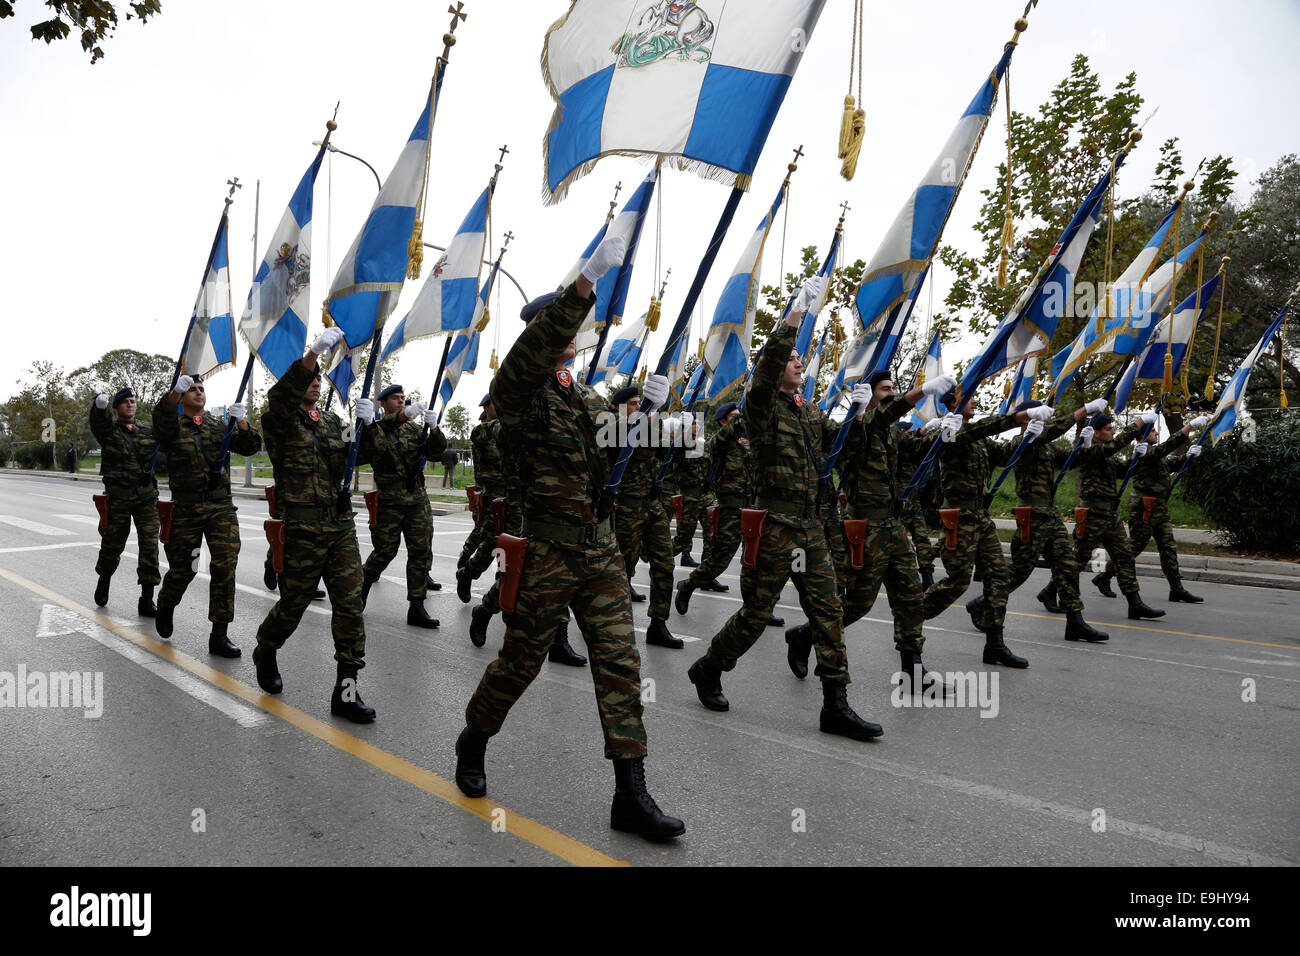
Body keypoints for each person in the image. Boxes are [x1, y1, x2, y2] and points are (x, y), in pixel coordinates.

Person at [454, 234, 684, 842]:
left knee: (619, 664)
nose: (574, 342)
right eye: (562, 333)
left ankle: (630, 795)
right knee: (522, 661)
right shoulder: (520, 397)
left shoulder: (585, 398)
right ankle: (474, 737)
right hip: (550, 552)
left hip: (600, 549)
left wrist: (653, 421)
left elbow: (622, 460)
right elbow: (522, 370)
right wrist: (583, 286)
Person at [686, 276, 883, 741]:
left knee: (829, 611)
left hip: (810, 525)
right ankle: (709, 666)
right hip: (772, 524)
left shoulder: (810, 412)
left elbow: (847, 448)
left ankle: (835, 704)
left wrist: (865, 412)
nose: (797, 362)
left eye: (799, 358)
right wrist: (794, 315)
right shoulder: (761, 408)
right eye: (791, 359)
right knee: (756, 614)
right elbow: (771, 364)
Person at [786, 366, 960, 688]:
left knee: (910, 597)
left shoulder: (891, 432)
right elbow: (880, 418)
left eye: (893, 388)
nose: (891, 393)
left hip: (893, 526)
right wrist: (920, 391)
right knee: (859, 603)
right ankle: (804, 635)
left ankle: (913, 672)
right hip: (865, 528)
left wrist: (945, 434)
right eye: (884, 389)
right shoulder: (854, 430)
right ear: (868, 395)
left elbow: (919, 450)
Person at [251, 327, 376, 723]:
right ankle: (266, 648)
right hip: (304, 530)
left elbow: (356, 459)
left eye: (320, 377)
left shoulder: (332, 421)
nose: (317, 382)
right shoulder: (279, 421)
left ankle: (346, 693)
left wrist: (368, 428)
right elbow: (278, 399)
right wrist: (310, 358)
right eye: (312, 377)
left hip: (339, 528)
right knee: (294, 605)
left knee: (350, 607)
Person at [459, 390, 585, 666]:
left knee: (561, 571)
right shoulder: (499, 429)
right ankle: (485, 607)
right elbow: (491, 432)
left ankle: (559, 641)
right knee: (517, 567)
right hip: (523, 508)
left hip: (561, 508)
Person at [920, 393, 1033, 671]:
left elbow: (1006, 456)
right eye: (968, 397)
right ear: (951, 403)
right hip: (958, 518)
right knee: (958, 581)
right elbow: (979, 429)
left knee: (998, 577)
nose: (975, 402)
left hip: (980, 518)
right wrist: (1013, 418)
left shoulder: (979, 437)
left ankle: (994, 644)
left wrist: (1026, 434)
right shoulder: (948, 432)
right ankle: (910, 616)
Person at [151, 375, 262, 656]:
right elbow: (160, 420)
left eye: (202, 389)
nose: (199, 393)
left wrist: (243, 423)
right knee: (185, 568)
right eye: (192, 389)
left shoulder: (218, 426)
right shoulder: (172, 427)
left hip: (220, 507)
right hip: (187, 509)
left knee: (225, 567)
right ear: (181, 396)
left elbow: (250, 446)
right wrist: (173, 394)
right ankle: (166, 603)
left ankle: (219, 634)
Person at [1002, 399, 1110, 643]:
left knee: (1068, 565)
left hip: (1049, 514)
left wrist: (1085, 443)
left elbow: (1071, 460)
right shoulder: (1023, 442)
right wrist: (1083, 410)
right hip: (1031, 515)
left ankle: (1075, 622)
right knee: (1020, 571)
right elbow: (1051, 432)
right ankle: (983, 603)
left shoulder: (1047, 448)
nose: (1046, 419)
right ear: (1026, 418)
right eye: (1039, 414)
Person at [358, 383, 443, 629]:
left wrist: (435, 430)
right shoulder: (375, 429)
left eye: (403, 398)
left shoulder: (415, 430)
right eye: (395, 398)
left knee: (420, 552)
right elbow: (374, 447)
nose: (401, 401)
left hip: (416, 500)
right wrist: (396, 418)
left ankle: (416, 606)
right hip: (390, 502)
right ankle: (361, 589)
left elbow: (436, 453)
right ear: (383, 404)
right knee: (385, 551)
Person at [1070, 411, 1166, 620]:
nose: (1112, 432)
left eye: (1113, 428)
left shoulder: (1106, 454)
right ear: (1095, 434)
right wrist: (1138, 424)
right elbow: (1114, 446)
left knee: (1124, 557)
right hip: (1093, 513)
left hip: (1109, 515)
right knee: (1079, 559)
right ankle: (1050, 592)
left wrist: (1136, 458)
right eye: (1108, 429)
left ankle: (1135, 603)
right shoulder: (1089, 451)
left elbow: (1122, 471)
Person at [613, 385, 683, 649]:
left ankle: (658, 624)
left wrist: (678, 432)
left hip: (653, 505)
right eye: (633, 404)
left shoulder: (650, 428)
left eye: (640, 403)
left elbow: (669, 455)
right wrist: (650, 415)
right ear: (619, 409)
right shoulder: (615, 430)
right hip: (627, 506)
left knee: (665, 564)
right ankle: (613, 623)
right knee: (624, 567)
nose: (638, 407)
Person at [1123, 408, 1209, 603]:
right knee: (1135, 546)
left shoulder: (1155, 454)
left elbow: (1170, 464)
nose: (1156, 433)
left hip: (1159, 506)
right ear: (1143, 434)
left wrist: (1189, 456)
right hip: (1144, 506)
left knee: (1168, 547)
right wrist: (1188, 427)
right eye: (1152, 431)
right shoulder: (1143, 453)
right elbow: (1166, 448)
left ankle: (1176, 588)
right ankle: (1104, 576)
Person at [89, 387, 160, 616]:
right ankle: (104, 577)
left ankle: (147, 599)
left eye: (133, 401)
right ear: (117, 407)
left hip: (146, 497)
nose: (131, 404)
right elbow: (99, 423)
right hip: (119, 497)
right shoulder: (109, 432)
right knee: (112, 543)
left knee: (149, 545)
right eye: (126, 402)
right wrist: (99, 406)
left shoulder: (146, 430)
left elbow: (166, 432)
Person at [673, 402, 746, 616]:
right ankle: (690, 582)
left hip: (751, 506)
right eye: (734, 417)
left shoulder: (745, 443)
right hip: (727, 506)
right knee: (717, 555)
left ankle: (759, 607)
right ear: (723, 421)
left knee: (756, 559)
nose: (740, 420)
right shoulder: (719, 441)